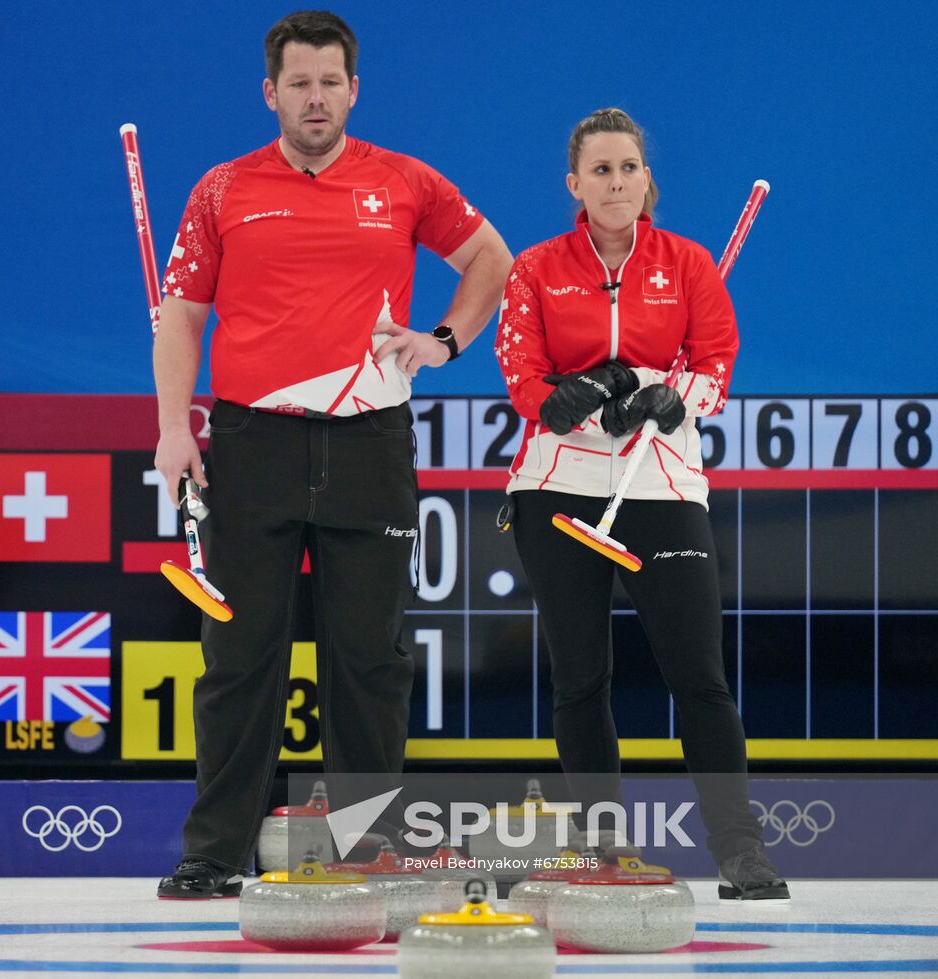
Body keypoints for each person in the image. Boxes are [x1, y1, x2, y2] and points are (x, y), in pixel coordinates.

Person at [152, 10, 512, 899]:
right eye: (299, 83)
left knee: (368, 657)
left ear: (354, 90)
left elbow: (491, 260)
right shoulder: (223, 188)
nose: (315, 98)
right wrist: (172, 427)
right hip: (252, 441)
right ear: (269, 93)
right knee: (240, 657)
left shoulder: (404, 180)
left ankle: (368, 846)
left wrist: (444, 341)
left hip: (368, 444)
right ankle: (215, 851)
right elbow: (183, 316)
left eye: (330, 82)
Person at [496, 107, 788, 901]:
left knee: (698, 673)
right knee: (580, 676)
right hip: (558, 485)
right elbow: (523, 377)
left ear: (646, 177)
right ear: (575, 183)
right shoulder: (535, 269)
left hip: (660, 480)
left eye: (628, 167)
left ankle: (741, 853)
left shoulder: (688, 263)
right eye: (600, 170)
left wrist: (678, 397)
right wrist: (577, 403)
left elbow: (716, 362)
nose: (616, 182)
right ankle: (603, 847)